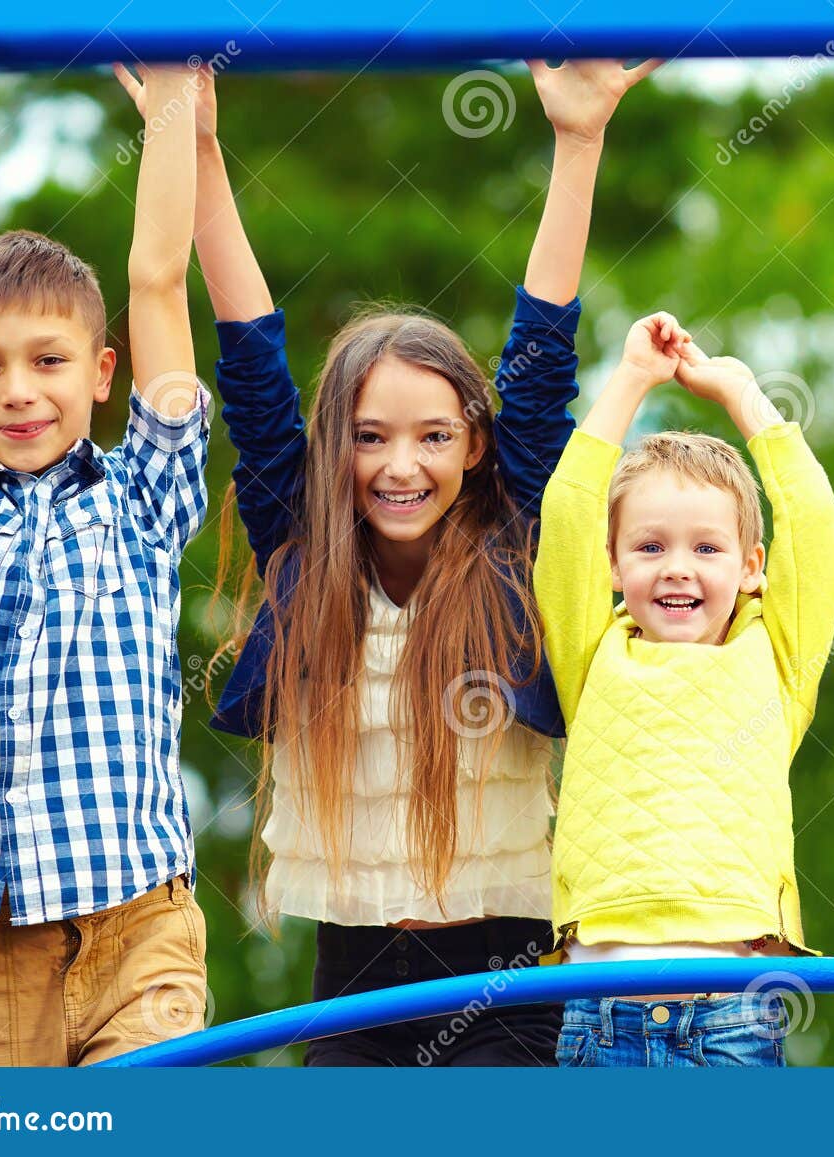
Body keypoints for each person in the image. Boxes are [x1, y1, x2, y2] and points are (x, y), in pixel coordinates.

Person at [161, 59, 657, 1066]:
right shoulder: (304, 547)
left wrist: (578, 142)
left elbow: (544, 347)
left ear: (474, 444)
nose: (399, 463)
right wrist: (200, 147)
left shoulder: (512, 539)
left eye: (433, 435)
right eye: (370, 435)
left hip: (506, 974)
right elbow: (250, 359)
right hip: (349, 981)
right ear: (333, 446)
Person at [0, 64, 210, 1065]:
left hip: (136, 925)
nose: (18, 390)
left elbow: (156, 278)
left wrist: (173, 107)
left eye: (49, 361)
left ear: (104, 375)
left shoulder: (143, 499)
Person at [534, 311, 834, 1067]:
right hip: (600, 1016)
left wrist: (744, 397)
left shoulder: (775, 658)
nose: (676, 567)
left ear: (751, 564)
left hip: (732, 1014)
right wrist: (632, 378)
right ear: (612, 564)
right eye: (649, 546)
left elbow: (816, 528)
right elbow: (569, 512)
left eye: (707, 547)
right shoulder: (591, 651)